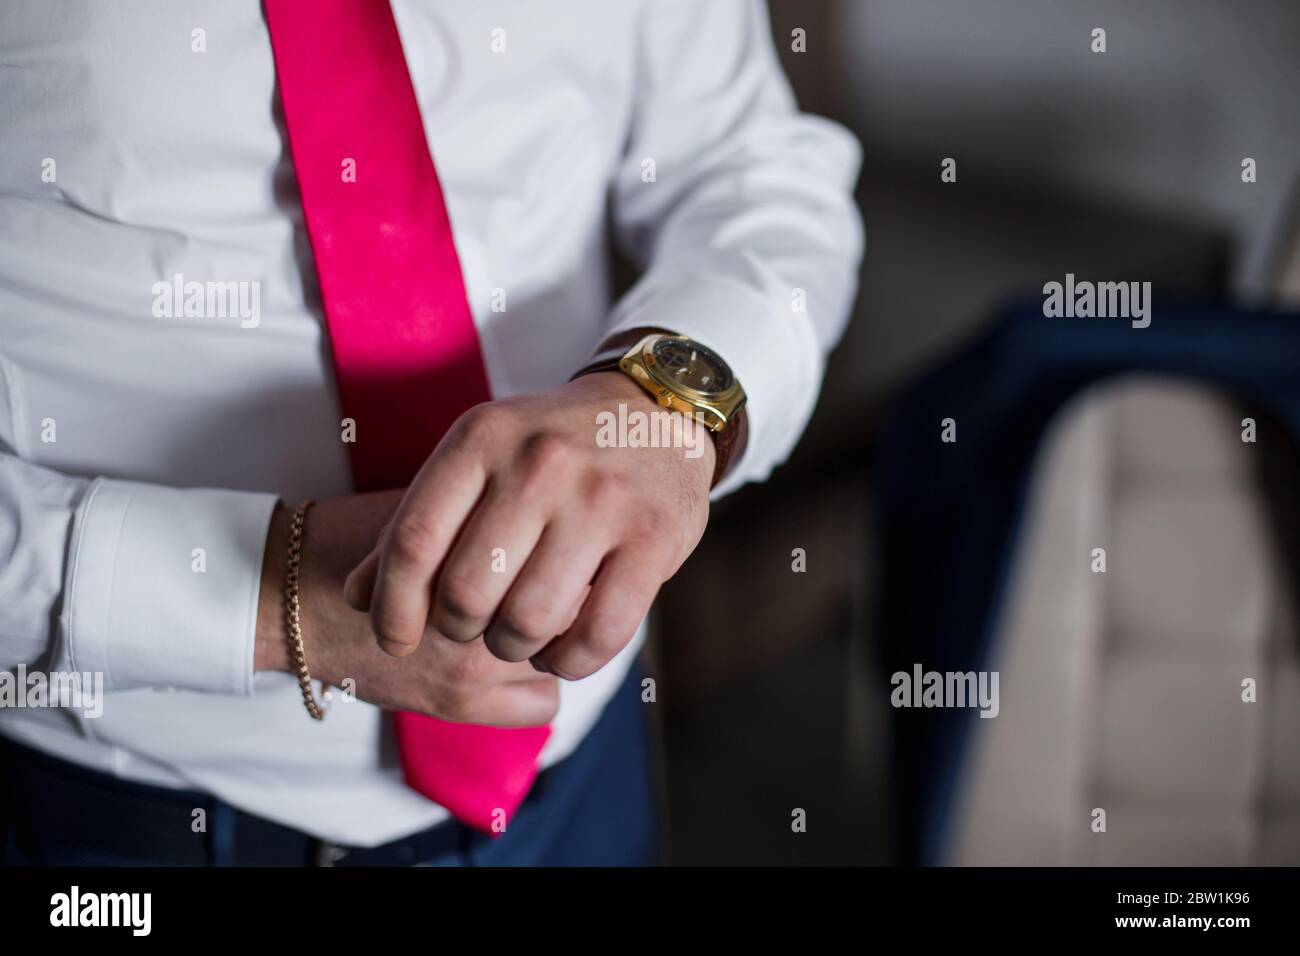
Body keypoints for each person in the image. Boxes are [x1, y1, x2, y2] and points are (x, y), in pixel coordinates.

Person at [0, 0, 862, 866]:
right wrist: (271, 598)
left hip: (579, 772)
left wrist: (664, 405)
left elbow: (743, 164)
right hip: (123, 818)